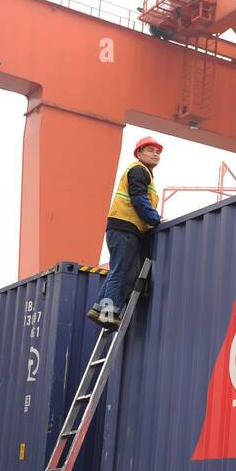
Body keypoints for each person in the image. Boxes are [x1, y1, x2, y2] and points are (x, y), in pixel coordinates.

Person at [88, 136, 163, 329]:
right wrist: (156, 220)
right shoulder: (139, 170)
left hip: (122, 227)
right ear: (139, 153)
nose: (156, 154)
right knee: (121, 270)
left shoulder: (143, 172)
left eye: (158, 152)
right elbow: (139, 199)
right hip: (125, 226)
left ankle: (99, 309)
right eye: (150, 150)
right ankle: (108, 314)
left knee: (118, 269)